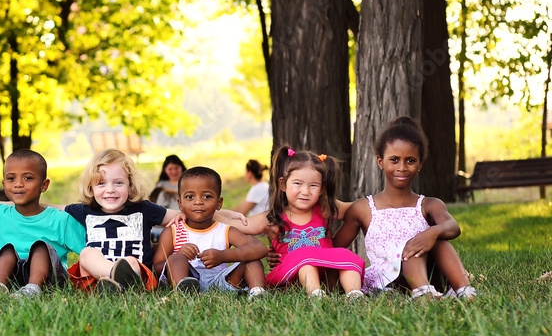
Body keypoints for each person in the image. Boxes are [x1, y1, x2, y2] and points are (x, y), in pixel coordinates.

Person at [64, 149, 249, 294]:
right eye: (101, 183)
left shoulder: (144, 208)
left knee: (130, 261)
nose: (110, 189)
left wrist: (220, 211)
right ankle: (111, 280)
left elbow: (189, 212)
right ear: (90, 187)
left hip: (137, 278)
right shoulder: (85, 210)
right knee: (87, 253)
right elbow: (50, 208)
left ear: (130, 185)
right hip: (96, 281)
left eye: (118, 183)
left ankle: (120, 281)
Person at [334, 117, 476, 300]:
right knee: (412, 249)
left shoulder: (428, 205)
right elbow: (336, 247)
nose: (401, 167)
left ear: (420, 164)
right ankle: (422, 293)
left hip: (432, 276)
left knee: (436, 239)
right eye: (394, 160)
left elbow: (453, 227)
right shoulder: (363, 208)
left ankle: (464, 290)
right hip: (390, 280)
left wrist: (431, 233)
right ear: (380, 161)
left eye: (410, 160)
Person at [245, 147, 364, 299]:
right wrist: (213, 212)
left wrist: (381, 203)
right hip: (294, 277)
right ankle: (315, 293)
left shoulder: (325, 209)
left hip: (327, 275)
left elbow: (359, 209)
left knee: (345, 256)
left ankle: (354, 293)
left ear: (321, 189)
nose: (306, 191)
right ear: (283, 185)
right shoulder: (272, 219)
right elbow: (241, 223)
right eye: (298, 184)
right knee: (305, 258)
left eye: (313, 185)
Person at [0, 149, 87, 298]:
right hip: (12, 278)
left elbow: (89, 250)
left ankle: (33, 289)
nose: (18, 184)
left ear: (44, 185)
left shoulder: (61, 221)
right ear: (4, 184)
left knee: (40, 247)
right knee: (7, 250)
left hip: (49, 283)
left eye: (28, 178)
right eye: (11, 179)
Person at [153, 166, 267, 295]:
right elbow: (156, 268)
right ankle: (183, 291)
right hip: (188, 278)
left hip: (222, 281)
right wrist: (179, 256)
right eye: (190, 197)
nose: (198, 202)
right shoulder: (173, 231)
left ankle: (257, 292)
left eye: (207, 197)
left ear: (219, 203)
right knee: (175, 259)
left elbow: (259, 248)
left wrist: (222, 256)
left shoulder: (225, 230)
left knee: (252, 260)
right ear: (180, 204)